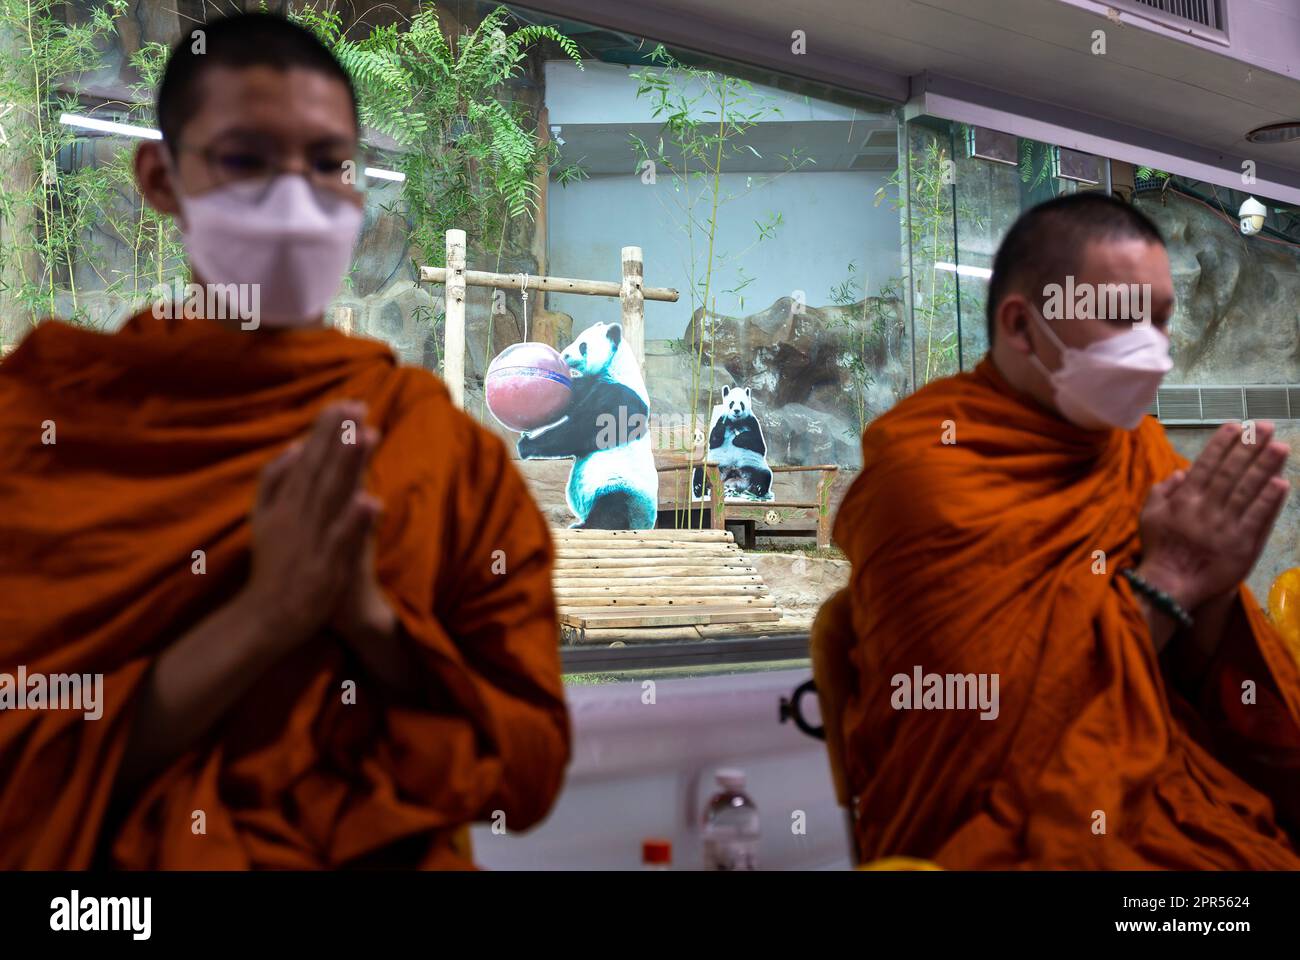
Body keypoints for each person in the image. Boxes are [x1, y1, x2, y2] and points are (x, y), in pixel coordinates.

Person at [0, 12, 569, 869]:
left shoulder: (433, 443)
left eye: (327, 164)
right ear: (160, 177)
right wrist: (265, 620)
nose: (295, 198)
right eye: (246, 160)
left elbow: (527, 764)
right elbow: (20, 775)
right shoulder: (56, 421)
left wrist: (370, 621)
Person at [817, 191, 1300, 868]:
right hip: (1011, 844)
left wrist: (1213, 594)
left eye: (1160, 321)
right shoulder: (927, 478)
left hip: (1177, 817)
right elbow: (998, 739)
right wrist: (1168, 582)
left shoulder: (1139, 457)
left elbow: (1228, 706)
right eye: (1123, 318)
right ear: (1020, 326)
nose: (1153, 350)